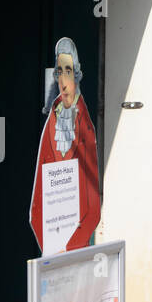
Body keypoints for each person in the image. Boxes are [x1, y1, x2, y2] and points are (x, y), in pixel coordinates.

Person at [29, 37, 101, 254]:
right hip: (52, 234)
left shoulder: (83, 121)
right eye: (60, 72)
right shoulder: (54, 114)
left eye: (68, 71)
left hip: (75, 236)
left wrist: (72, 245)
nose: (64, 79)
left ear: (77, 74)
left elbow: (91, 193)